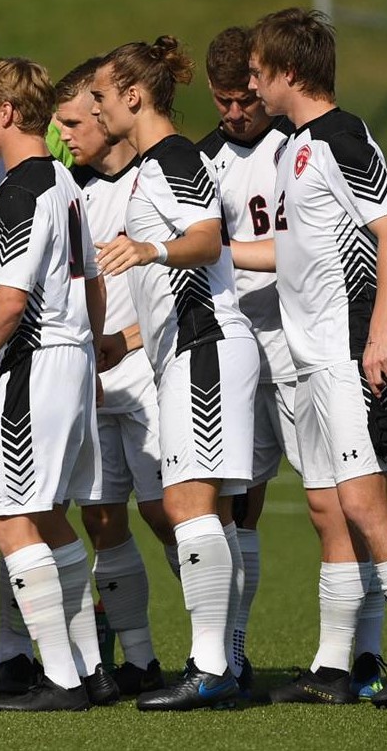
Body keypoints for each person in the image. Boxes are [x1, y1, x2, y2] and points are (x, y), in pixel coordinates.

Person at [247, 7, 387, 708]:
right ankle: (334, 667)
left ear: (291, 73)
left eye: (258, 71)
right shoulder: (292, 147)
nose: (251, 83)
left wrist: (378, 336)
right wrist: (193, 249)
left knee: (362, 502)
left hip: (348, 349)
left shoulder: (339, 136)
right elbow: (294, 250)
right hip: (311, 356)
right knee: (331, 509)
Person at [203, 25, 387, 704]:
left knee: (337, 502)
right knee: (234, 505)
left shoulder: (313, 141)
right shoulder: (205, 159)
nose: (238, 106)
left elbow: (383, 238)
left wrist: (377, 334)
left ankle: (361, 654)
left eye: (247, 89)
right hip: (234, 348)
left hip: (308, 344)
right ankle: (232, 657)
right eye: (224, 97)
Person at [92, 36, 258, 711]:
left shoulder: (174, 156)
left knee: (189, 506)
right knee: (207, 512)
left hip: (205, 346)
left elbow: (207, 236)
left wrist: (149, 248)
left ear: (134, 95)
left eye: (102, 95)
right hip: (191, 353)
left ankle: (212, 665)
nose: (98, 107)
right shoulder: (155, 164)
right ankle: (226, 663)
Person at [0, 57, 113, 713]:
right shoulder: (66, 184)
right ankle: (92, 668)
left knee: (10, 518)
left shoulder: (20, 187)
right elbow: (93, 280)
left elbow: (11, 300)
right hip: (68, 360)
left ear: (8, 112)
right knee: (49, 515)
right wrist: (90, 354)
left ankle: (62, 680)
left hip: (34, 362)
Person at [52, 57, 175, 697]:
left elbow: (186, 271)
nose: (70, 132)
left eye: (76, 119)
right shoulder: (70, 190)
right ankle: (141, 660)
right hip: (95, 382)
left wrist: (124, 339)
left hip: (151, 374)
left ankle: (224, 652)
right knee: (102, 520)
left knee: (168, 512)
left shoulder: (154, 179)